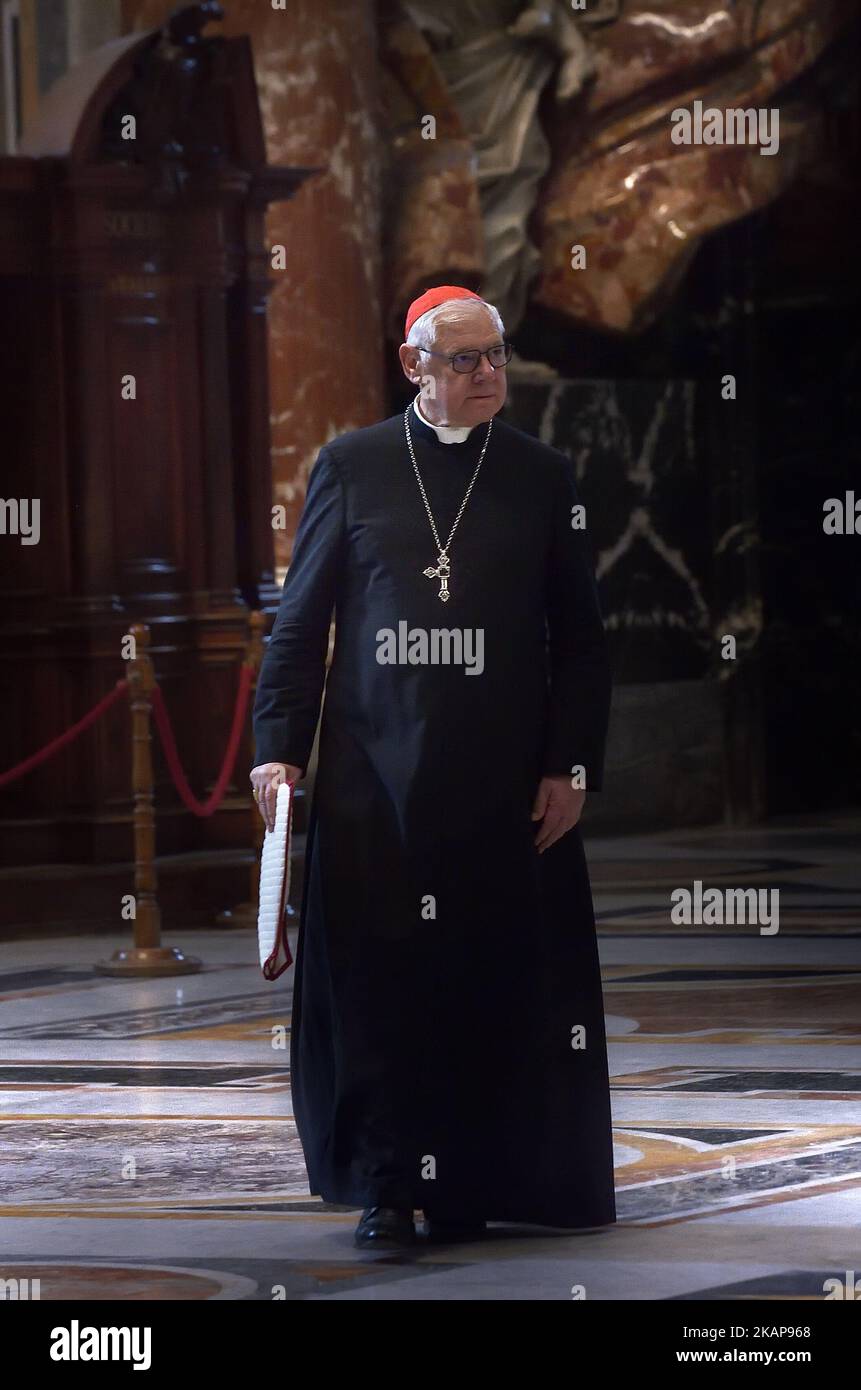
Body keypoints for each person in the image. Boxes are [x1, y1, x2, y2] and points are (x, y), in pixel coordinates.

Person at [250, 285, 615, 1248]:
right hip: (376, 780)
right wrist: (278, 750)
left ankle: (477, 1182)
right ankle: (386, 1184)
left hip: (502, 784)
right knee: (381, 988)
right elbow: (300, 626)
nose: (488, 373)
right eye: (465, 360)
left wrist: (569, 765)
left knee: (487, 985)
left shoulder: (542, 476)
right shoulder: (353, 465)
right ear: (414, 367)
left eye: (495, 355)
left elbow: (580, 639)